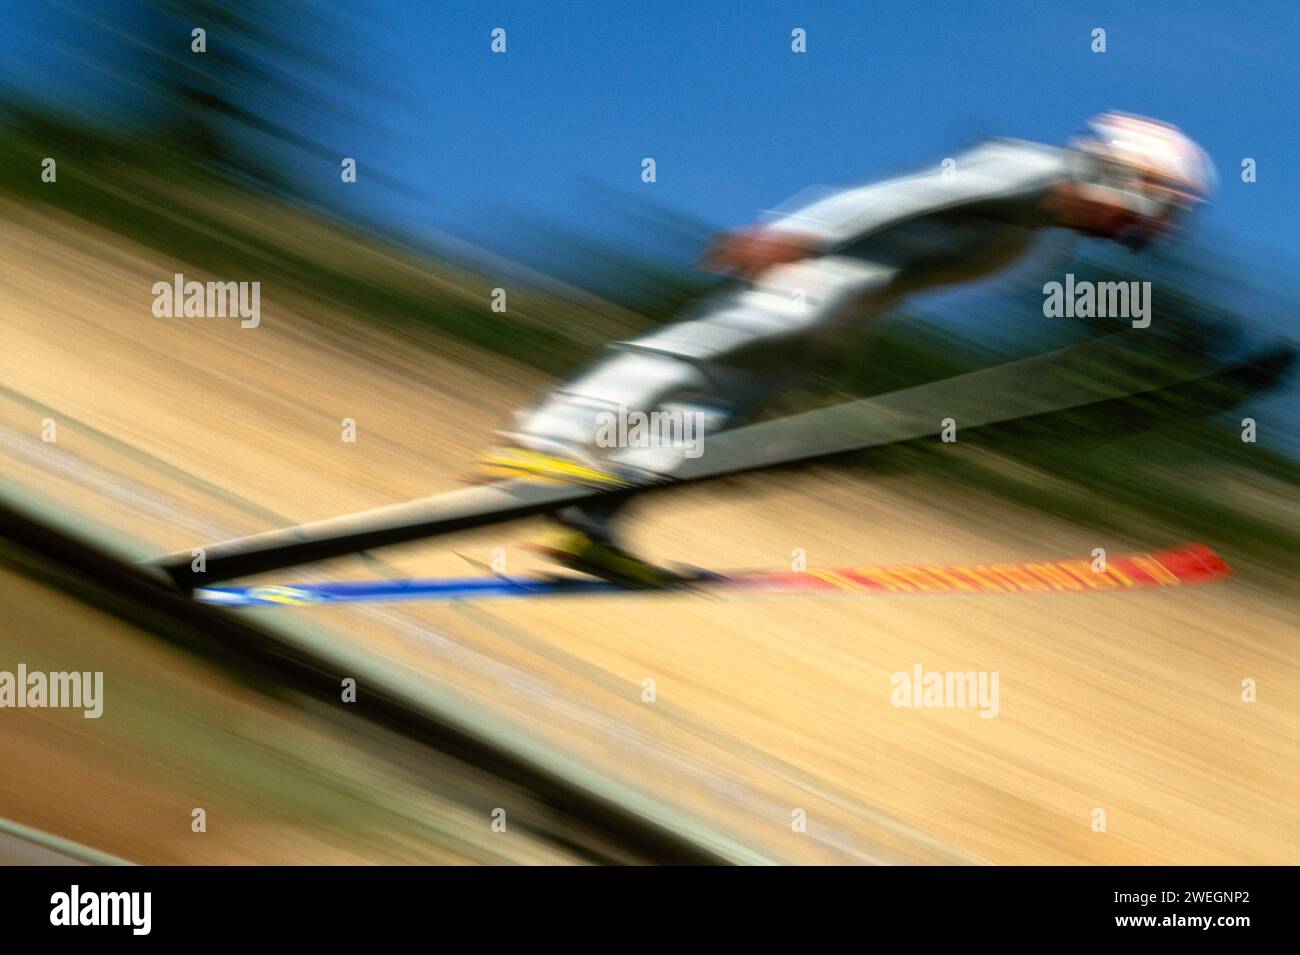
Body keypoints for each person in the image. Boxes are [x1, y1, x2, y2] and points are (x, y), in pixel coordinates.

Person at [486, 112, 1215, 584]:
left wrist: (842, 337)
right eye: (1150, 205)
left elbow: (912, 269)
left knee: (726, 408)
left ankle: (597, 513)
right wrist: (799, 233)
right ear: (1121, 171)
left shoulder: (1030, 239)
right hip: (816, 273)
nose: (1137, 227)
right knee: (696, 352)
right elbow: (900, 196)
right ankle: (547, 441)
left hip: (845, 309)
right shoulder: (1024, 167)